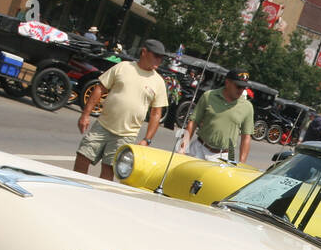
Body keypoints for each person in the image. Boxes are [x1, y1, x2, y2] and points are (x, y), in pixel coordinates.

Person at [73, 38, 168, 181]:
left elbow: (156, 113)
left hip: (126, 134)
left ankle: (96, 198)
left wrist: (147, 140)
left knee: (108, 169)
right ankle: (75, 187)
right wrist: (85, 115)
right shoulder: (123, 67)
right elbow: (100, 88)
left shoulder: (159, 82)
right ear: (144, 52)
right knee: (82, 156)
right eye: (156, 56)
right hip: (103, 125)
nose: (159, 60)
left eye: (162, 58)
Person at [181, 68, 254, 165]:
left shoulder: (247, 107)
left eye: (243, 87)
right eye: (238, 86)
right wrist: (183, 148)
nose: (241, 90)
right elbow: (193, 122)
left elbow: (246, 137)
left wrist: (242, 163)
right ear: (227, 82)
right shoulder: (208, 96)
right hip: (199, 149)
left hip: (223, 157)